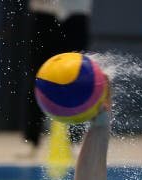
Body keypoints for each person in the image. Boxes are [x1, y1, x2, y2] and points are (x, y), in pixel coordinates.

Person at [21, 0, 93, 152]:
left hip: (76, 13)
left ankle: (76, 140)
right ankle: (32, 140)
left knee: (78, 76)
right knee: (37, 76)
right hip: (44, 12)